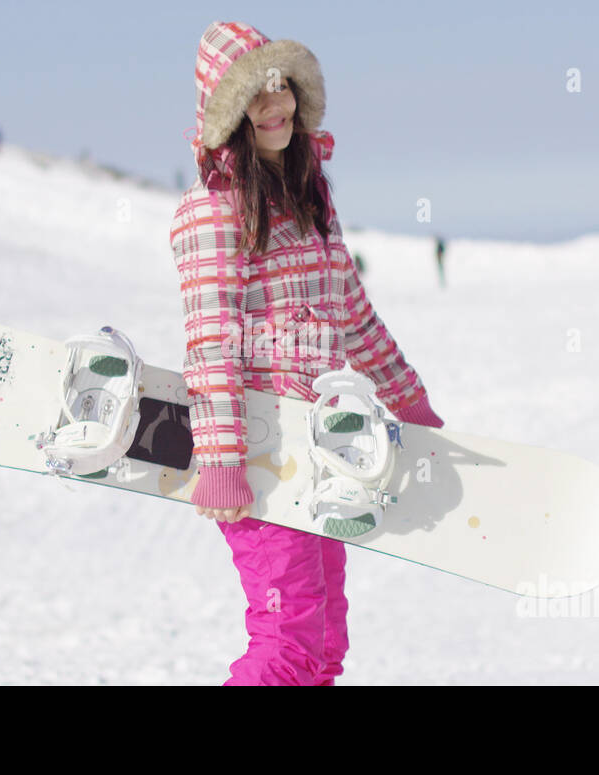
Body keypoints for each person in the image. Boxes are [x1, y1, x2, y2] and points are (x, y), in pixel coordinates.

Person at [170, 21, 445, 686]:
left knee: (323, 644)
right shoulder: (212, 212)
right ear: (231, 114)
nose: (277, 105)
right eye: (256, 95)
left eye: (283, 87)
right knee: (288, 640)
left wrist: (405, 394)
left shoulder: (310, 198)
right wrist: (224, 459)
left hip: (321, 447)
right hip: (261, 451)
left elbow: (351, 308)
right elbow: (211, 342)